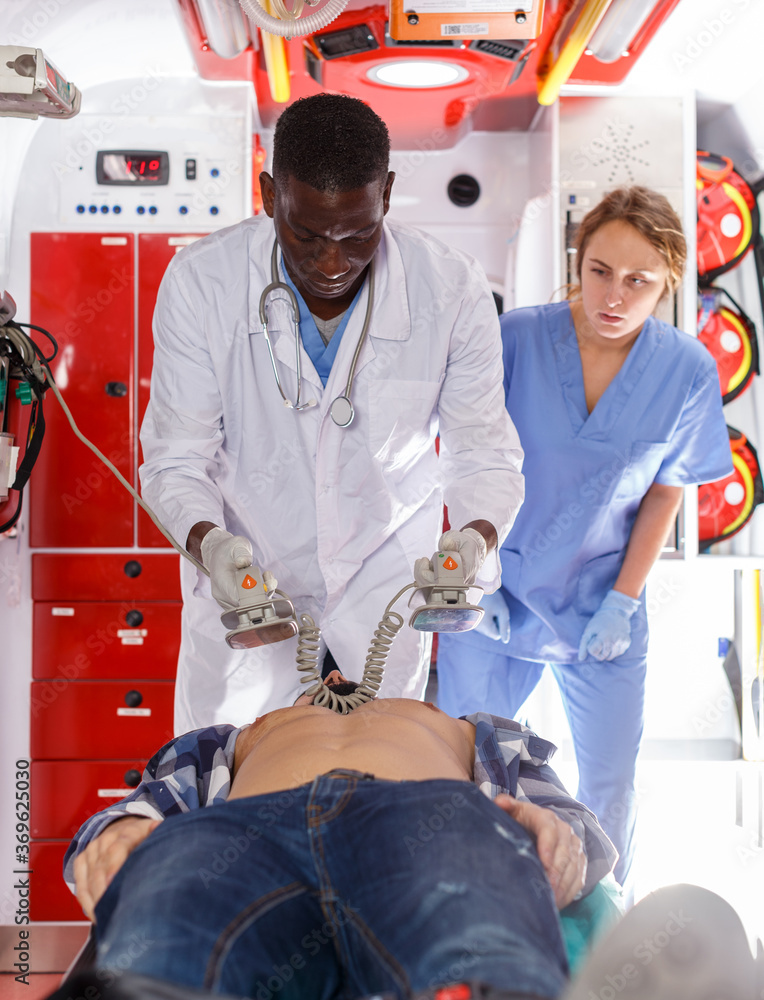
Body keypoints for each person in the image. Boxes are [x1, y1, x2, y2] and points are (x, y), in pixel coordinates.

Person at [139, 93, 524, 734]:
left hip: (386, 578)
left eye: (357, 235)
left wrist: (475, 538)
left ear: (388, 196)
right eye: (306, 234)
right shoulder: (201, 282)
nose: (331, 263)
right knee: (234, 781)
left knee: (372, 783)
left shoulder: (452, 288)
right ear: (268, 195)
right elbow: (176, 460)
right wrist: (215, 549)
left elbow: (482, 451)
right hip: (252, 580)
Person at [436, 187, 733, 890]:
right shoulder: (515, 339)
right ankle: (466, 913)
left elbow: (665, 490)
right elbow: (456, 459)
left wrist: (623, 604)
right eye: (599, 270)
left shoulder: (686, 371)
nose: (614, 295)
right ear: (579, 257)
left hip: (601, 605)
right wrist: (474, 578)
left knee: (608, 790)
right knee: (463, 772)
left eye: (639, 281)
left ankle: (606, 938)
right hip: (494, 596)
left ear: (668, 284)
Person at [65, 673, 618, 1000]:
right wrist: (123, 832)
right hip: (239, 838)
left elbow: (575, 826)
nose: (338, 679)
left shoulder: (483, 731)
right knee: (162, 953)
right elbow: (137, 810)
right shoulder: (226, 740)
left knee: (478, 944)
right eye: (324, 676)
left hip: (427, 819)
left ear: (425, 700)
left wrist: (555, 838)